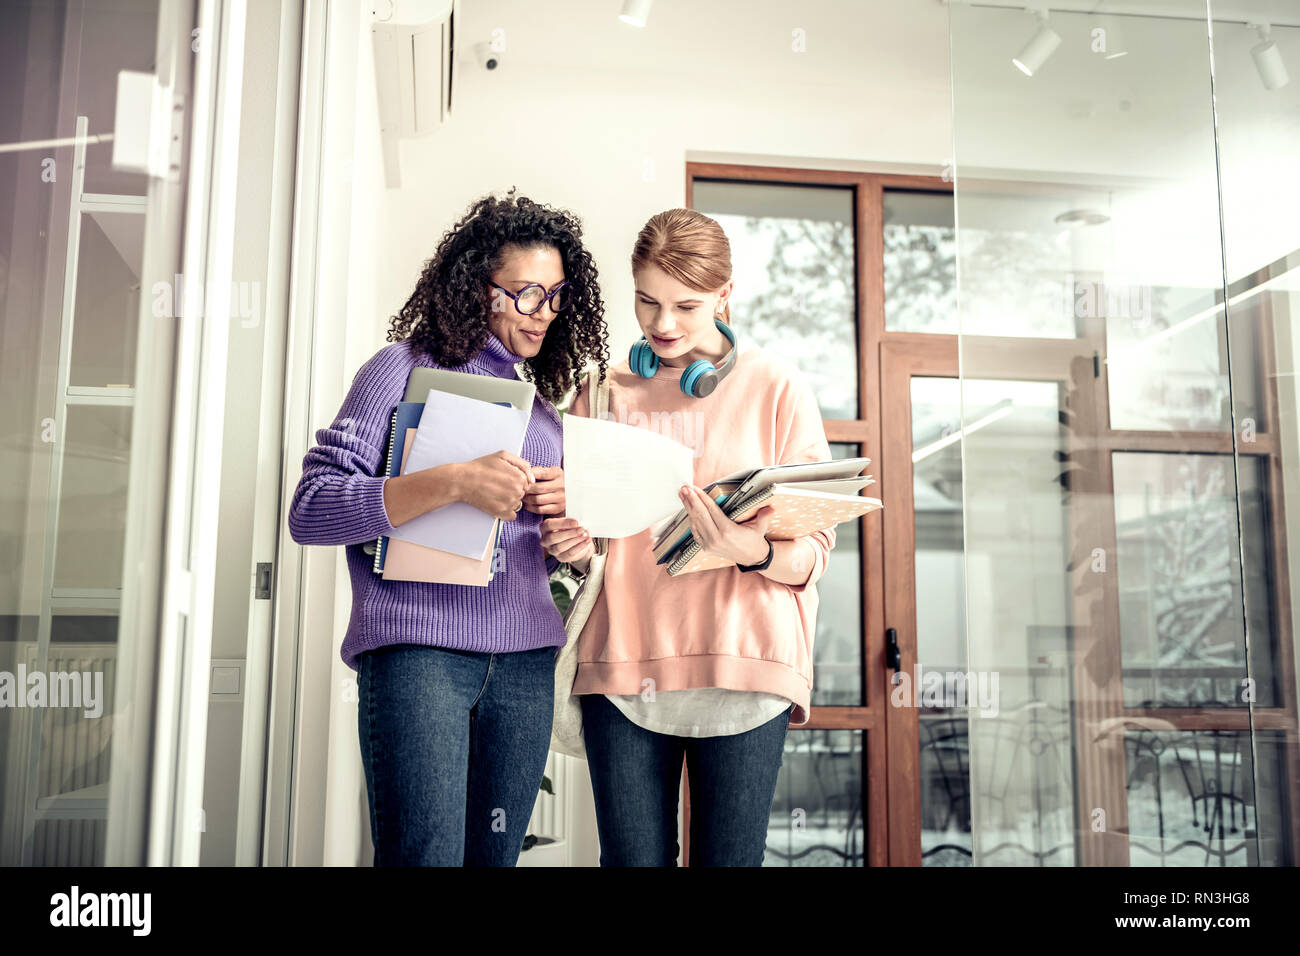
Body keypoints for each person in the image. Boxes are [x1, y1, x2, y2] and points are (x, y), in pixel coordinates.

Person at [287, 190, 608, 866]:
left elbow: (541, 556)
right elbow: (312, 508)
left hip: (524, 667)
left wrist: (571, 547)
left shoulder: (546, 417)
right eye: (524, 294)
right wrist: (455, 482)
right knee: (423, 856)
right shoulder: (399, 371)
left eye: (555, 297)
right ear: (477, 287)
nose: (542, 314)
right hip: (419, 656)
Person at [541, 208, 835, 866]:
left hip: (745, 665)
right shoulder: (602, 391)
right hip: (622, 664)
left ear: (725, 297)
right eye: (646, 301)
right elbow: (580, 548)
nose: (664, 325)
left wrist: (747, 550)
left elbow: (812, 558)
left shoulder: (777, 387)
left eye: (686, 306)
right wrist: (567, 540)